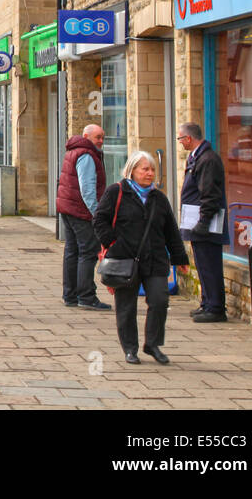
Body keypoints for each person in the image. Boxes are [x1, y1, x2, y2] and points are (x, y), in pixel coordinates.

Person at [93, 150, 190, 365]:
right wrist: (113, 244)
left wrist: (179, 257)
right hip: (125, 259)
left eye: (152, 169)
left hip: (155, 259)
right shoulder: (116, 192)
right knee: (126, 306)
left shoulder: (159, 199)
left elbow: (171, 230)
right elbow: (99, 220)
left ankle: (152, 344)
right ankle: (130, 348)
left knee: (159, 300)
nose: (149, 173)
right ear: (132, 170)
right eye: (145, 169)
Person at [178, 122, 228, 323]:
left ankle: (215, 307)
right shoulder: (198, 157)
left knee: (210, 264)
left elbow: (210, 193)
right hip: (196, 222)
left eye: (181, 139)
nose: (180, 143)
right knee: (202, 264)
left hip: (206, 224)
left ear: (188, 139)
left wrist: (203, 221)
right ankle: (207, 302)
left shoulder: (207, 159)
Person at [57, 123, 111, 310]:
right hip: (81, 211)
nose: (101, 141)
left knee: (72, 252)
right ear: (86, 136)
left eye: (102, 137)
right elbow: (87, 189)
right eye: (98, 137)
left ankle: (70, 295)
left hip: (68, 208)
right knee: (87, 252)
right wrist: (97, 214)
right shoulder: (86, 155)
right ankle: (86, 296)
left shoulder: (74, 151)